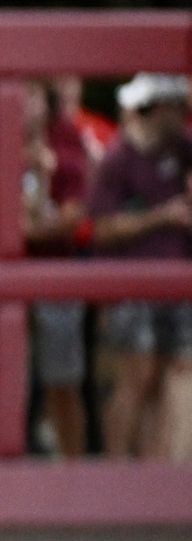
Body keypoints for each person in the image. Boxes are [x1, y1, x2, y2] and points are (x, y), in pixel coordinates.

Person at [89, 73, 192, 460]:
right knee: (136, 377)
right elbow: (102, 229)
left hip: (181, 280)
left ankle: (164, 472)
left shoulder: (183, 149)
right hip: (133, 282)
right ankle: (118, 471)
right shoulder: (119, 158)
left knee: (180, 374)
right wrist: (162, 217)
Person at [21, 79, 91, 458]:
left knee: (62, 379)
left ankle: (73, 467)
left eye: (31, 93)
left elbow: (74, 213)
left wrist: (30, 226)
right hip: (5, 276)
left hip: (55, 268)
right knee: (5, 383)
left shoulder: (65, 140)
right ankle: (6, 472)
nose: (22, 103)